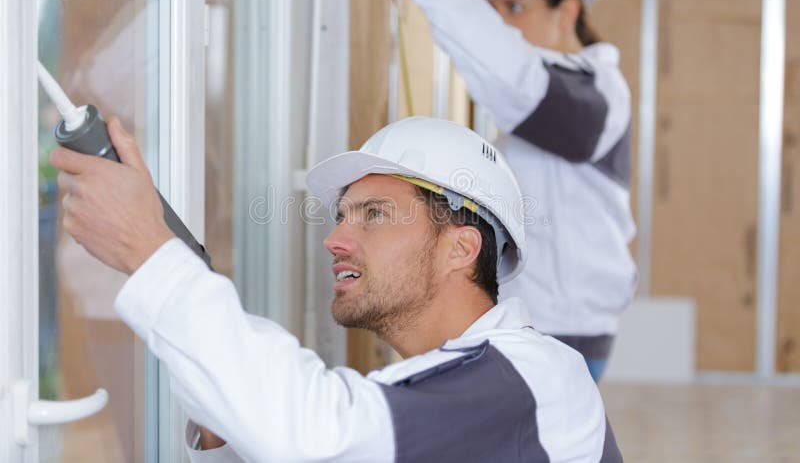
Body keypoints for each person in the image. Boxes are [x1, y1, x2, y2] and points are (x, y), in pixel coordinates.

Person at [50, 115, 622, 461]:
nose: (336, 240)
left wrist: (151, 253)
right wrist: (224, 417)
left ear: (460, 248)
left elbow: (316, 435)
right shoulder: (429, 391)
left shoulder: (534, 378)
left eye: (373, 214)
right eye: (343, 216)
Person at [370, 0, 637, 381]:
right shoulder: (544, 96)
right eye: (491, 10)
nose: (502, 24)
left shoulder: (595, 94)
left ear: (567, 9)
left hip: (565, 329)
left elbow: (517, 76)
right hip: (537, 321)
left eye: (515, 7)